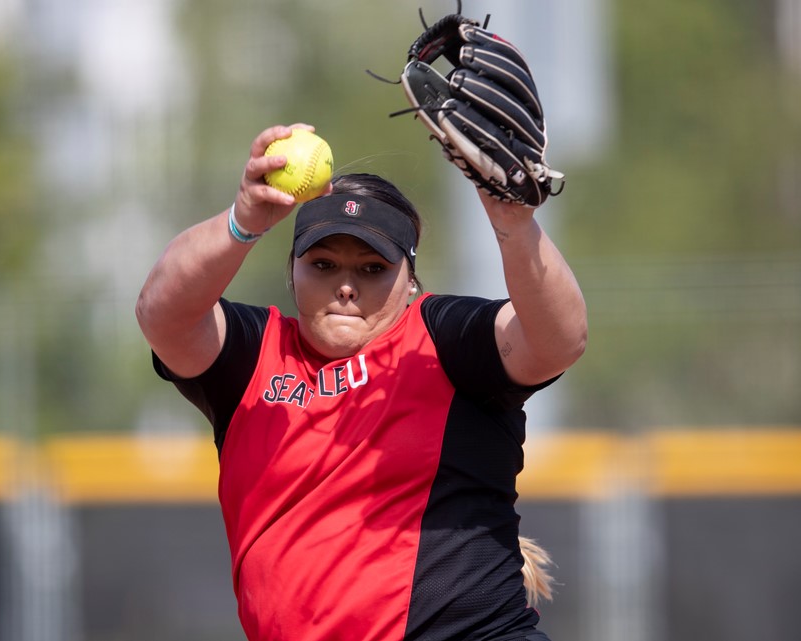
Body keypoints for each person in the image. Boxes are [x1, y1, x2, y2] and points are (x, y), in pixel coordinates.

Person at [136, 123, 587, 641]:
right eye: (323, 264)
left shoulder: (443, 341)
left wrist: (515, 223)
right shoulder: (254, 357)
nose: (346, 285)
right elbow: (161, 316)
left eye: (373, 268)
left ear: (409, 279)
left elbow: (559, 340)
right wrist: (242, 221)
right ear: (293, 272)